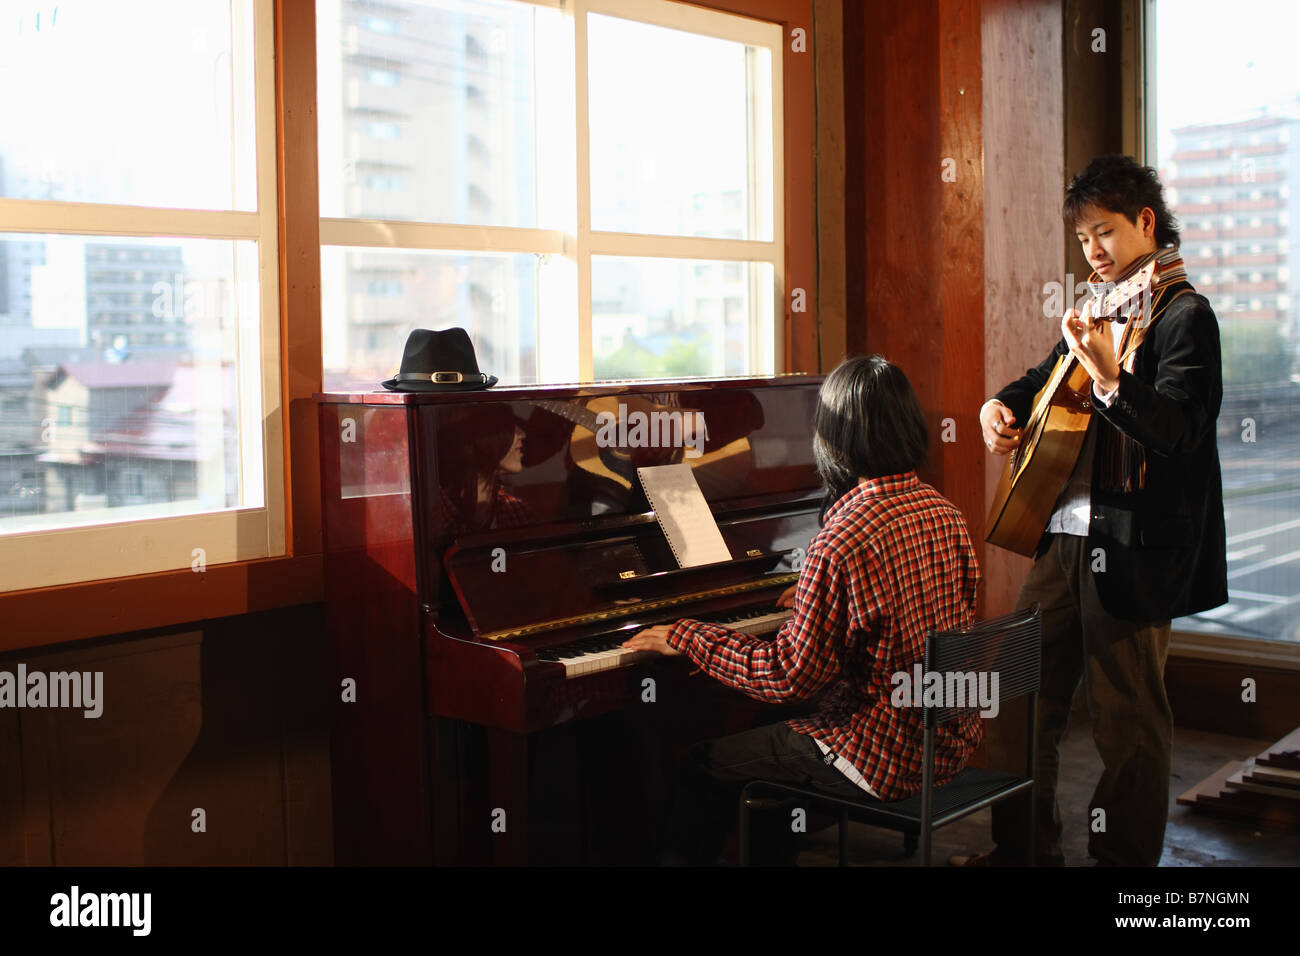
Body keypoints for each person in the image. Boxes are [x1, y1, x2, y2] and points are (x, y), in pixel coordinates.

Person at [966, 155, 1227, 867]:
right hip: (1061, 539)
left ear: (1146, 223)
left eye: (1105, 233)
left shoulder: (1186, 318)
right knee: (1019, 700)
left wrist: (1113, 382)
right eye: (1083, 241)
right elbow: (1035, 381)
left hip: (1134, 546)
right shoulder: (1099, 309)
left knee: (1128, 725)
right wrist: (997, 406)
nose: (1094, 252)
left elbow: (1179, 431)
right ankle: (1021, 851)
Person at [623, 355, 982, 865]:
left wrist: (688, 637)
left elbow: (788, 677)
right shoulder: (944, 511)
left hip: (885, 756)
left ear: (834, 437)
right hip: (947, 738)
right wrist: (828, 601)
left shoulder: (841, 539)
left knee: (704, 764)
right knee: (769, 734)